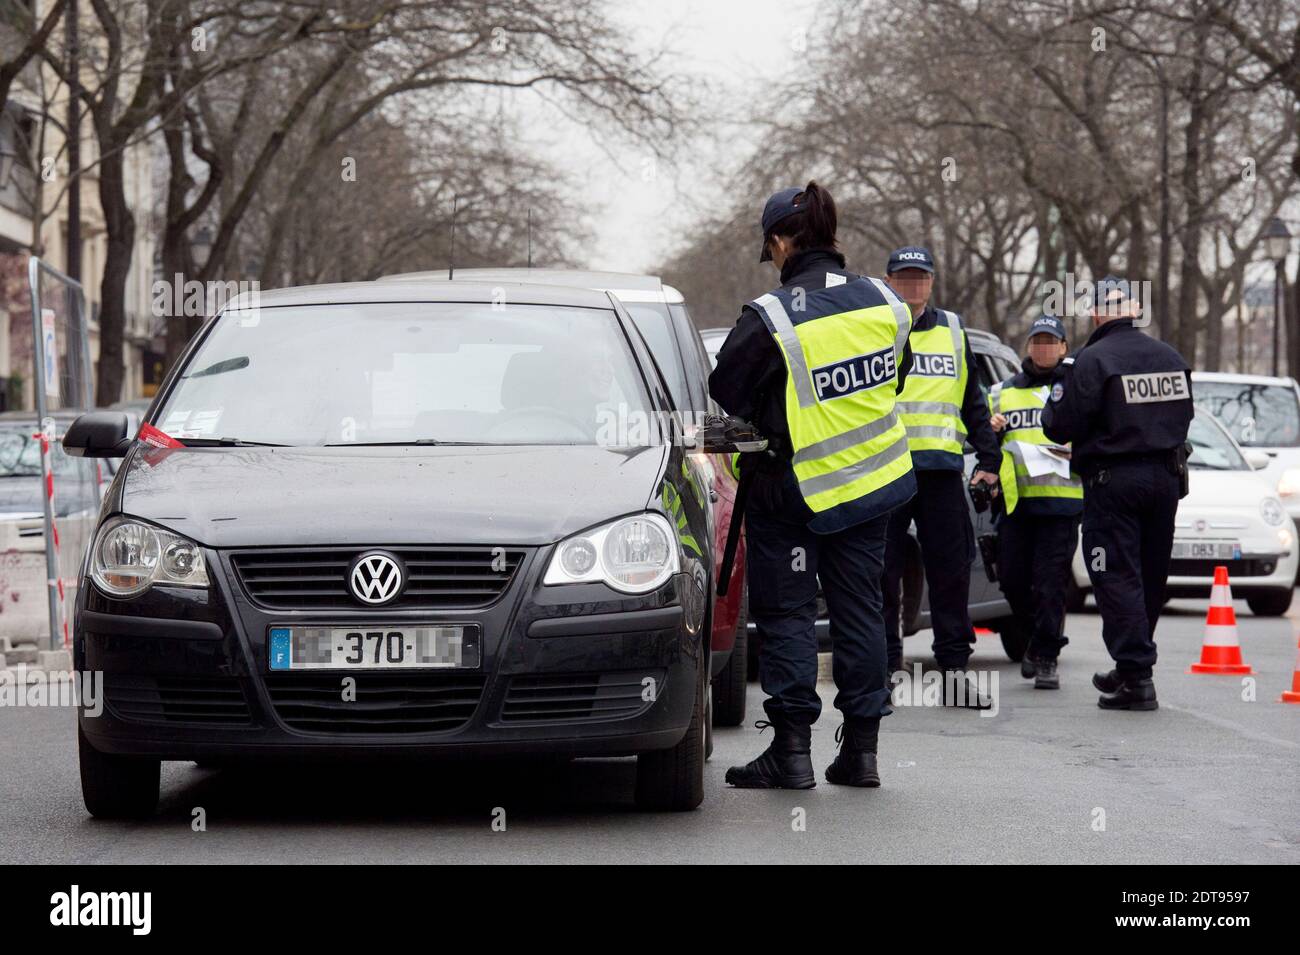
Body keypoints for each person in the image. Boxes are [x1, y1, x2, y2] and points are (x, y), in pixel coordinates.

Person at [709, 182, 915, 788]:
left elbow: (729, 392)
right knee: (863, 614)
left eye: (768, 249)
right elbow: (890, 381)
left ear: (779, 241)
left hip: (793, 495)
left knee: (790, 616)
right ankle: (863, 754)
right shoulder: (885, 299)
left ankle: (792, 753)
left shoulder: (771, 315)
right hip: (875, 487)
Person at [1041, 277, 1193, 710]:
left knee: (1114, 574)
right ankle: (1130, 666)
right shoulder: (1170, 356)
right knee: (1148, 574)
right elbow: (1186, 416)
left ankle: (1137, 675)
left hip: (1115, 483)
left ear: (1096, 315)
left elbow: (1060, 423)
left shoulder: (1093, 360)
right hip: (1165, 480)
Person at [881, 247, 1001, 708]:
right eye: (905, 278)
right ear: (888, 281)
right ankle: (885, 671)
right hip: (887, 472)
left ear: (931, 282)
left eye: (921, 278)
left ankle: (953, 673)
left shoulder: (953, 330)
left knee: (951, 575)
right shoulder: (875, 329)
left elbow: (973, 400)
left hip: (942, 474)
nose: (914, 286)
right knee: (881, 576)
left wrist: (989, 458)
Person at [987, 314, 1083, 690]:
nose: (1043, 348)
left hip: (1061, 503)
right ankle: (1035, 641)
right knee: (1012, 581)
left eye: (1051, 341)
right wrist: (991, 432)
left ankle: (1046, 657)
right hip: (1017, 503)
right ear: (1029, 346)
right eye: (1037, 341)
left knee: (1049, 584)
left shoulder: (1075, 389)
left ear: (1063, 348)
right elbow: (986, 443)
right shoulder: (1002, 392)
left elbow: (1094, 434)